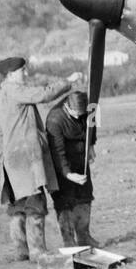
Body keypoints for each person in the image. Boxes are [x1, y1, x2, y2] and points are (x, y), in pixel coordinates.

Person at [0, 57, 70, 261]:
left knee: (18, 206)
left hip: (12, 160)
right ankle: (37, 251)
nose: (25, 74)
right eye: (22, 71)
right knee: (36, 203)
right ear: (10, 75)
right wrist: (67, 81)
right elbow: (44, 94)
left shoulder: (1, 97)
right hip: (26, 159)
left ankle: (21, 251)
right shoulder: (15, 90)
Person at [45, 90, 99, 247]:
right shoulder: (55, 119)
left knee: (85, 196)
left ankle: (84, 236)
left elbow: (92, 125)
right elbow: (57, 153)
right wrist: (68, 174)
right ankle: (69, 241)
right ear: (67, 107)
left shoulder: (91, 109)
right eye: (75, 114)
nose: (78, 117)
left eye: (81, 114)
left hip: (80, 158)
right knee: (65, 200)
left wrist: (91, 144)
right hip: (62, 164)